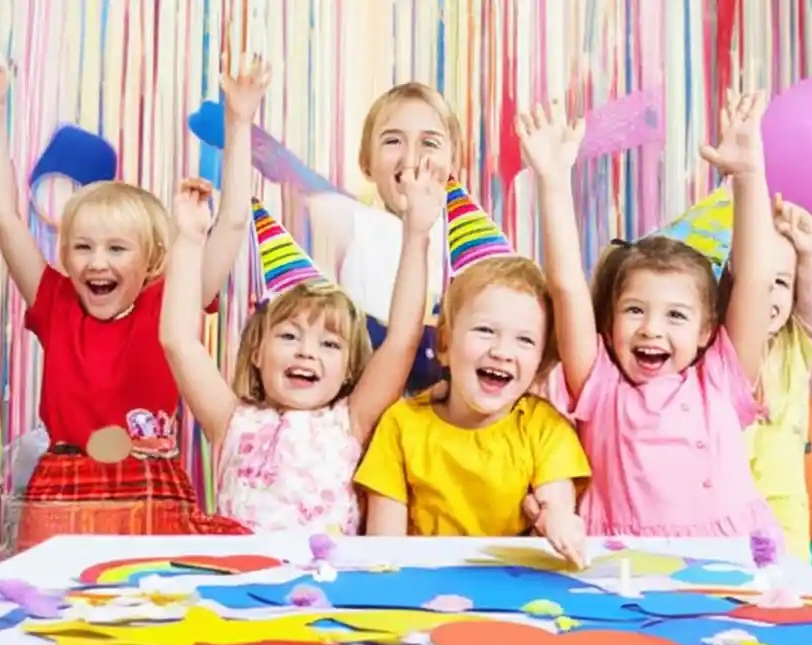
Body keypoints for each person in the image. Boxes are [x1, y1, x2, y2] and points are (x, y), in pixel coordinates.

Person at [0, 47, 268, 551]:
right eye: (82, 248)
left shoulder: (170, 303)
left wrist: (239, 121)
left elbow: (233, 222)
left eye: (116, 248)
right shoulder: (56, 301)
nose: (96, 262)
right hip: (62, 492)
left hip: (150, 490)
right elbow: (2, 216)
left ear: (152, 261)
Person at [518, 93, 783, 550]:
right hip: (623, 562)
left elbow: (756, 280)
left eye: (676, 315)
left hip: (730, 556)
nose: (651, 329)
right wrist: (553, 180)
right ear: (610, 320)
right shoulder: (599, 388)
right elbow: (566, 288)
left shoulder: (720, 378)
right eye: (635, 310)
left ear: (706, 331)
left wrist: (749, 175)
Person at [159, 157, 444, 534]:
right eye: (289, 336)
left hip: (328, 588)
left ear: (349, 368)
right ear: (257, 352)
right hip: (242, 585)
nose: (306, 352)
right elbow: (178, 340)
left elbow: (402, 339)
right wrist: (190, 240)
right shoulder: (230, 420)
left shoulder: (350, 422)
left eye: (329, 343)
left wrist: (416, 234)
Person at [355, 186, 591, 568]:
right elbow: (382, 552)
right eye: (485, 330)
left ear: (541, 362)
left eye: (525, 339)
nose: (502, 350)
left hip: (515, 596)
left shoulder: (544, 428)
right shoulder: (400, 426)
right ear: (445, 343)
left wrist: (559, 518)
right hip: (422, 595)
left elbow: (557, 502)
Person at [309, 82, 473, 394]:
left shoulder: (470, 245)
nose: (412, 157)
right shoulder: (343, 224)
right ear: (366, 162)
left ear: (455, 161)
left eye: (430, 142)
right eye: (393, 141)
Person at [722, 195, 812, 561]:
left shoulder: (792, 345)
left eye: (781, 283)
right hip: (719, 518)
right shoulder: (709, 348)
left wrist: (809, 257)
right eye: (754, 280)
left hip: (784, 521)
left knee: (784, 604)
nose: (766, 294)